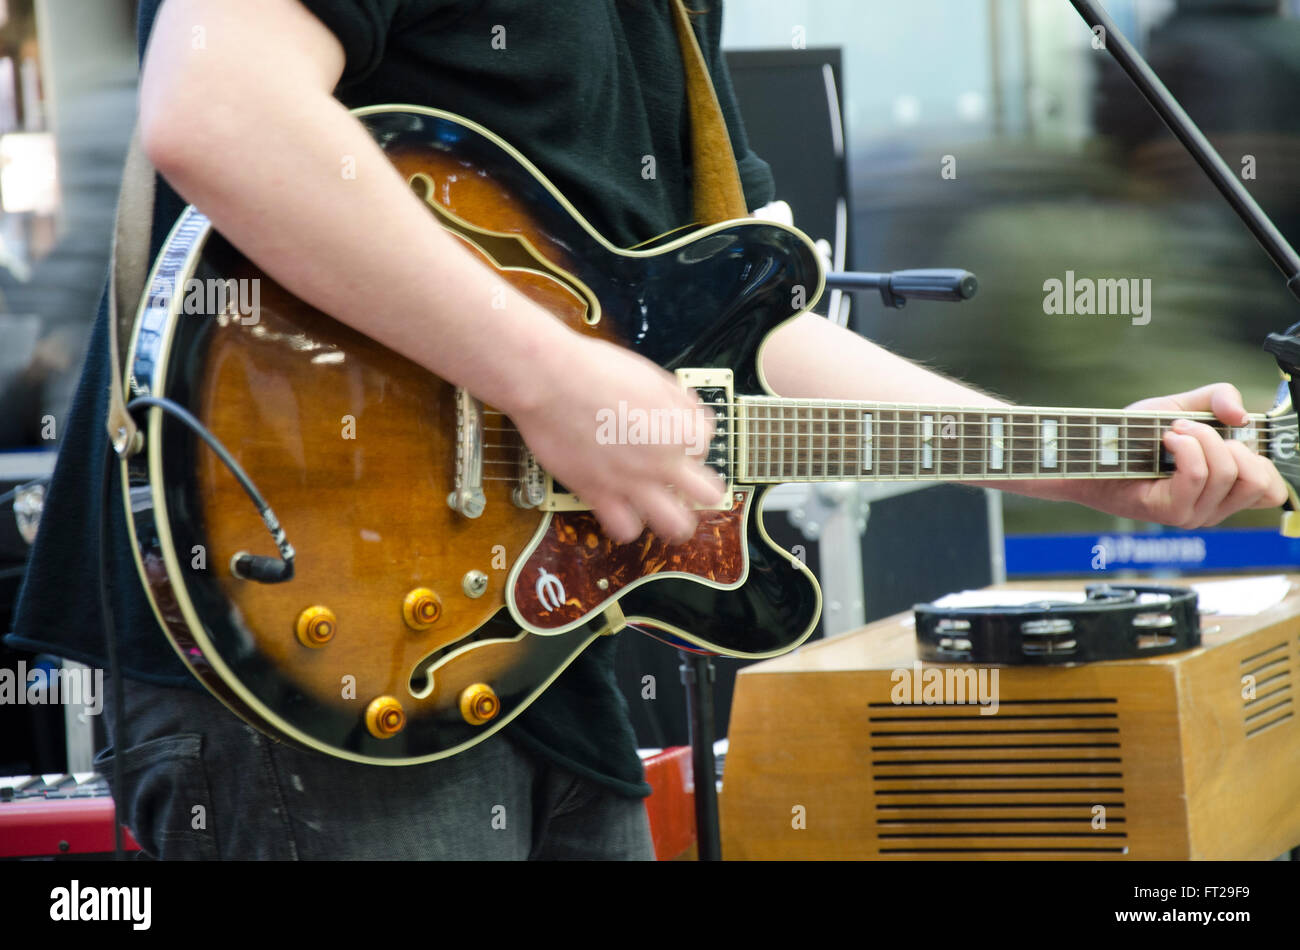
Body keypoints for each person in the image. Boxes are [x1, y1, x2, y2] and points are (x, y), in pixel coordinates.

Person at [6, 0, 1286, 860]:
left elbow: (741, 328)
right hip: (300, 631)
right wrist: (557, 385)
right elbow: (216, 106)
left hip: (533, 659)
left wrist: (1082, 459)